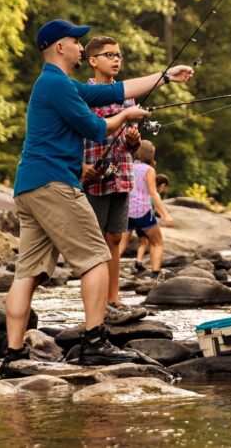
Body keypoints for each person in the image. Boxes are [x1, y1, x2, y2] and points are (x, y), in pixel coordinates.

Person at [0, 19, 193, 376]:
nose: (79, 47)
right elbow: (95, 127)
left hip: (30, 187)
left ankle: (13, 356)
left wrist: (165, 77)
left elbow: (117, 90)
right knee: (96, 258)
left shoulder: (58, 83)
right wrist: (127, 115)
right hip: (54, 185)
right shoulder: (56, 84)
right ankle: (95, 342)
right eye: (75, 41)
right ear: (60, 47)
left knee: (28, 273)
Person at [79, 35, 144, 325]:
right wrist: (81, 166)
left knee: (115, 238)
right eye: (109, 55)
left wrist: (133, 140)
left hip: (122, 175)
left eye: (118, 55)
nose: (116, 60)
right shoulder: (82, 95)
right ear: (93, 60)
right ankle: (96, 302)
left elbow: (134, 148)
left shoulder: (128, 97)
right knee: (96, 241)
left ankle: (112, 298)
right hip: (93, 177)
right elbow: (72, 134)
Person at [128, 141, 173, 282]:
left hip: (126, 211)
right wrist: (166, 214)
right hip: (142, 211)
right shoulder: (149, 169)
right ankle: (154, 275)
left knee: (118, 246)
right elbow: (153, 193)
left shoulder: (128, 165)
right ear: (149, 153)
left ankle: (109, 274)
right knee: (157, 242)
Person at [134, 173, 169, 273]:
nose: (164, 190)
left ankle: (138, 262)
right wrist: (164, 215)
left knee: (144, 242)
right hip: (147, 221)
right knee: (155, 243)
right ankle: (154, 268)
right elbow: (156, 207)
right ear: (162, 185)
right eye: (165, 187)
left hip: (137, 221)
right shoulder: (155, 194)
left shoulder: (146, 191)